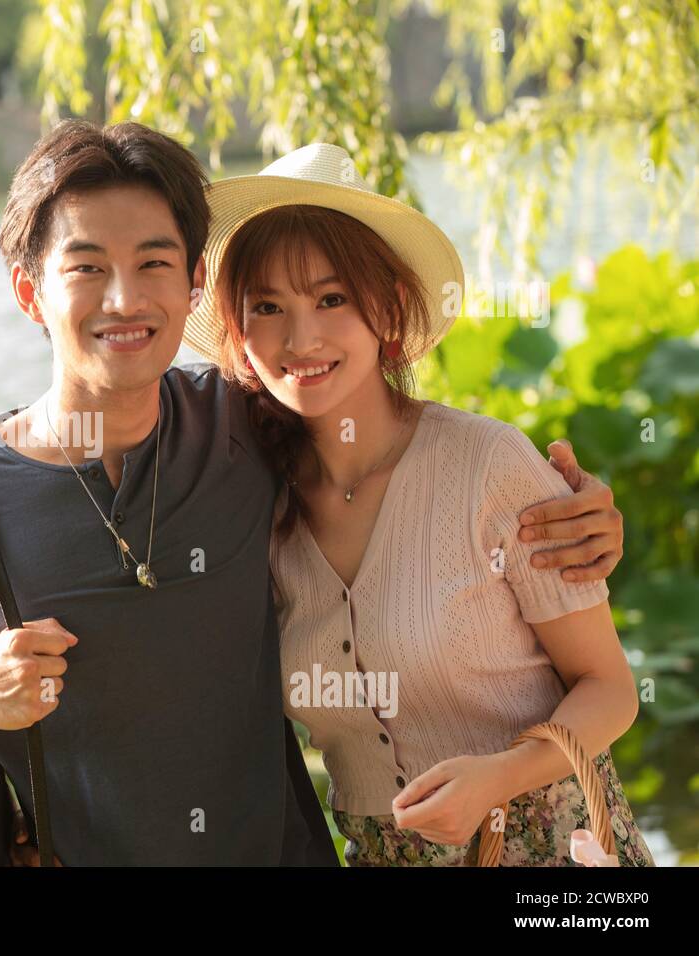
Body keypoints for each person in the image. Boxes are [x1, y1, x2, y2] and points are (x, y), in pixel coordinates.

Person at [0, 122, 625, 865]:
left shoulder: (239, 423)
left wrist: (582, 511)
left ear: (192, 281)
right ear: (29, 291)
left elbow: (383, 431)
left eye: (153, 262)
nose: (124, 299)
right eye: (86, 267)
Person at [183, 142, 652, 866]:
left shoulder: (486, 464)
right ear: (240, 334)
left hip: (553, 846)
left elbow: (612, 690)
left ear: (389, 306)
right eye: (267, 307)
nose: (299, 337)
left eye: (331, 299)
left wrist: (501, 775)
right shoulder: (252, 501)